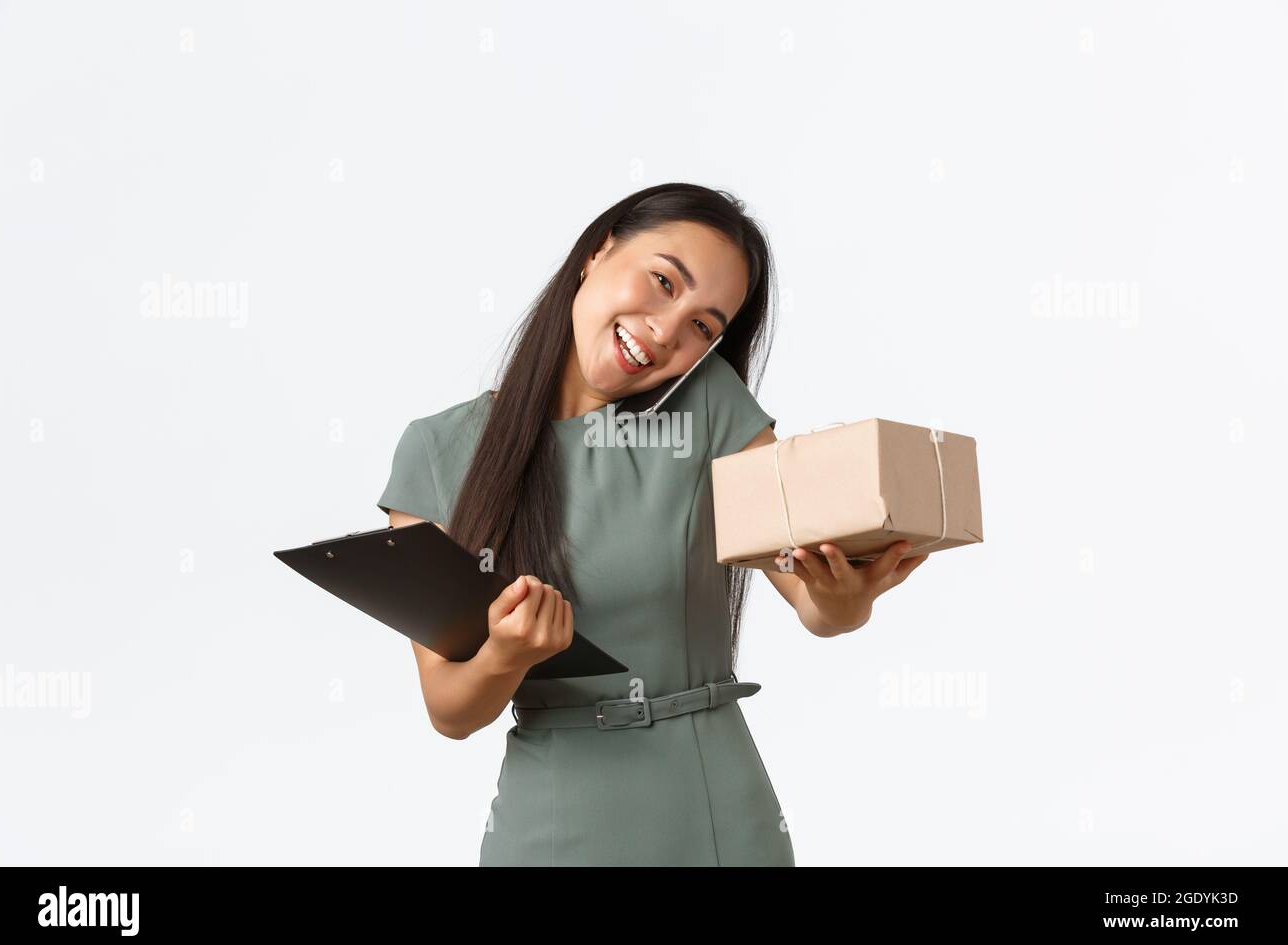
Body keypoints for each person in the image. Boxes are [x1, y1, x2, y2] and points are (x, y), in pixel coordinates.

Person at [376, 183, 929, 866]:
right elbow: (450, 711)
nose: (667, 330)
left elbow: (810, 598)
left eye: (704, 325)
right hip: (551, 825)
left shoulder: (708, 408)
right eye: (663, 281)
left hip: (717, 811)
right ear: (599, 250)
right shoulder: (438, 453)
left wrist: (845, 603)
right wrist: (508, 655)